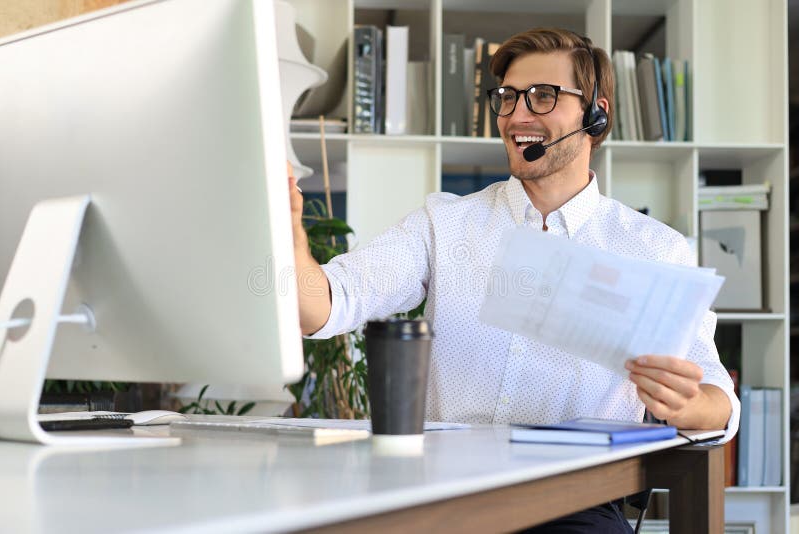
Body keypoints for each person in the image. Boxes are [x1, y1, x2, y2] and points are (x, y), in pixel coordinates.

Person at [289, 28, 738, 533]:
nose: (517, 116)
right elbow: (326, 304)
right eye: (507, 98)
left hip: (576, 504)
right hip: (440, 495)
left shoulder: (656, 249)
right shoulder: (444, 223)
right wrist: (291, 242)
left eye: (543, 97)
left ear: (596, 113)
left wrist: (689, 402)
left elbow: (718, 400)